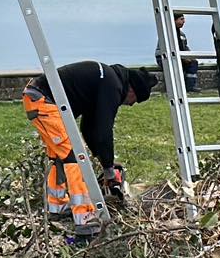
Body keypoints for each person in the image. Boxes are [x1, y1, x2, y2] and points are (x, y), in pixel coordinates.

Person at [22, 61, 157, 237]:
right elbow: (103, 131)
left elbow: (89, 128)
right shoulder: (112, 86)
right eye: (134, 101)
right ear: (132, 91)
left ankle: (57, 206)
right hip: (45, 102)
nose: (130, 105)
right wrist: (109, 170)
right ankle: (85, 221)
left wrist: (104, 162)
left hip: (38, 98)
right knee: (76, 158)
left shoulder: (106, 79)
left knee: (60, 156)